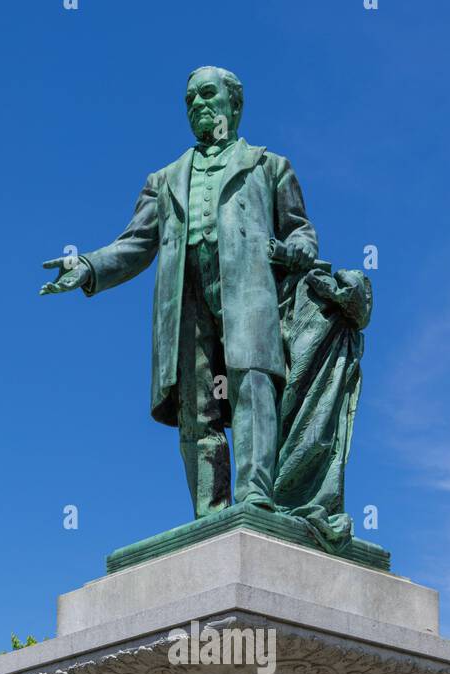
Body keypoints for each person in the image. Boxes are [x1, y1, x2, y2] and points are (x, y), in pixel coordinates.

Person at [40, 66, 318, 517]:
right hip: (183, 300)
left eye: (208, 95)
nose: (198, 105)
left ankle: (254, 498)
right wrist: (88, 265)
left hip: (248, 292)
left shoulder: (269, 166)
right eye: (190, 100)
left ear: (235, 104)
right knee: (198, 403)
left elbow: (302, 231)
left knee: (251, 386)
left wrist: (297, 251)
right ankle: (210, 513)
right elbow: (135, 244)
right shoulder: (164, 178)